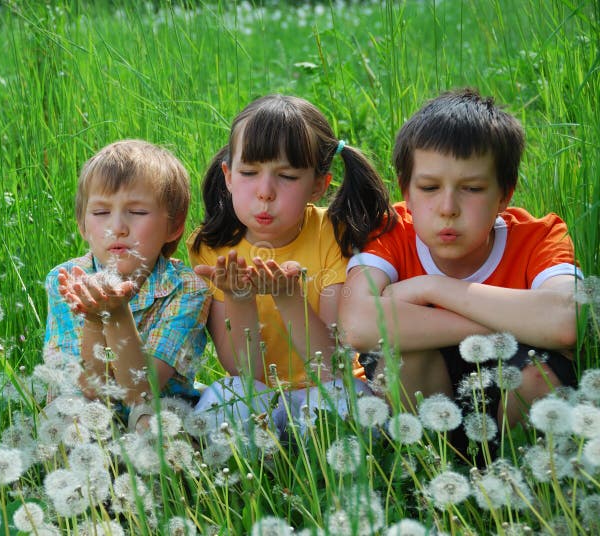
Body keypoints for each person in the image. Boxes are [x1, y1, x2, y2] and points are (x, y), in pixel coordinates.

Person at [340, 88, 583, 435]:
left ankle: (513, 470)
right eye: (429, 188)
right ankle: (432, 469)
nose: (448, 208)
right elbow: (357, 324)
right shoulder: (391, 231)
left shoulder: (539, 236)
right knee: (403, 358)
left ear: (505, 194)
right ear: (405, 192)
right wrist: (512, 327)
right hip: (424, 396)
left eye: (471, 188)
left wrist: (432, 288)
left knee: (539, 375)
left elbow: (566, 320)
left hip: (509, 392)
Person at [189, 94, 395, 437]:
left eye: (286, 176)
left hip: (328, 393)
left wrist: (289, 298)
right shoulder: (212, 246)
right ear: (228, 176)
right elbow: (244, 374)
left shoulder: (334, 234)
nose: (265, 192)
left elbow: (333, 369)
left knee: (354, 408)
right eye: (249, 172)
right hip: (260, 399)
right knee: (221, 401)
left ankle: (325, 479)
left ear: (318, 185)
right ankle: (250, 480)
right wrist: (239, 297)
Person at [43, 139, 211, 432]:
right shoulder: (66, 280)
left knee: (152, 426)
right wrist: (96, 320)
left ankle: (159, 475)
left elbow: (142, 391)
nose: (118, 226)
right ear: (82, 224)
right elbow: (88, 386)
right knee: (67, 421)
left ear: (174, 225)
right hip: (86, 406)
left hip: (158, 407)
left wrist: (116, 314)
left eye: (137, 212)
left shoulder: (188, 289)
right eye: (100, 213)